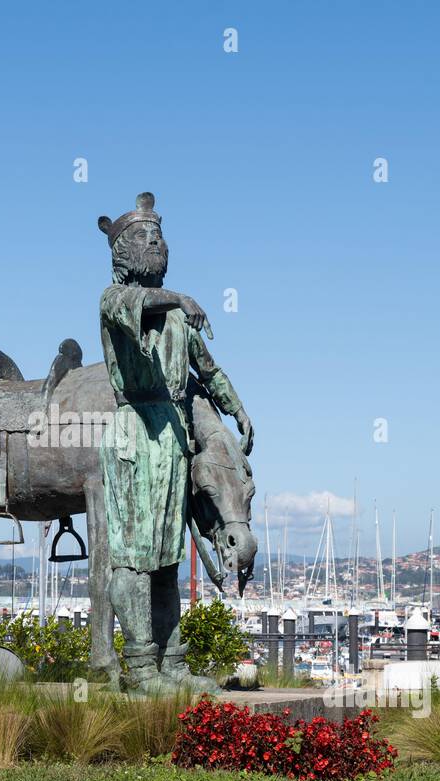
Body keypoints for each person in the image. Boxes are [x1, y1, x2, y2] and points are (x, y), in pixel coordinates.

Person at [95, 192, 253, 694]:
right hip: (136, 433)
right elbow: (138, 306)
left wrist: (235, 407)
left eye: (158, 233)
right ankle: (141, 670)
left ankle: (172, 664)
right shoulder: (113, 299)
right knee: (135, 557)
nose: (155, 240)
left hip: (174, 439)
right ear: (122, 252)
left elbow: (206, 368)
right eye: (143, 235)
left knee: (165, 558)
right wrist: (180, 298)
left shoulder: (182, 318)